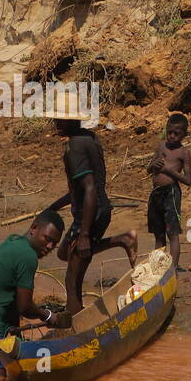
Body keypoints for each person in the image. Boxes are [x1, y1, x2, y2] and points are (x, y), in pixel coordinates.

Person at [45, 93, 138, 315]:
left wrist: (85, 233)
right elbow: (81, 189)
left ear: (71, 120)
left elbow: (89, 188)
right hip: (96, 208)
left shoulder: (74, 147)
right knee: (65, 253)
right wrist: (52, 208)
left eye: (60, 119)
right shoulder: (88, 138)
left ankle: (74, 321)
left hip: (91, 214)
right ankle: (122, 240)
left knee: (72, 278)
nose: (55, 123)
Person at [0, 210, 69, 375]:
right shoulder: (28, 257)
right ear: (34, 229)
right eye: (48, 239)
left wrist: (15, 333)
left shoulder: (13, 241)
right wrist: (47, 315)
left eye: (55, 243)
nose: (50, 247)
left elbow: (9, 299)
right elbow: (24, 307)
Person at [146, 113, 191, 270]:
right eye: (169, 132)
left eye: (176, 134)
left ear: (184, 134)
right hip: (156, 193)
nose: (172, 136)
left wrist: (168, 170)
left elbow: (188, 180)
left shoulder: (183, 152)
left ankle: (172, 268)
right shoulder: (161, 146)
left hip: (171, 193)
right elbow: (148, 169)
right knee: (158, 233)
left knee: (172, 233)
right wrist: (154, 165)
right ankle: (157, 267)